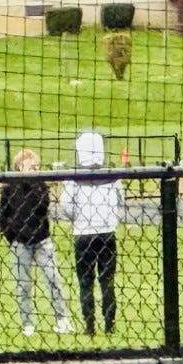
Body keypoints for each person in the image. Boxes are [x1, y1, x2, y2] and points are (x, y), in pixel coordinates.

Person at [0, 150, 71, 338]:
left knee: (53, 279)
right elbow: (3, 216)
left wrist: (33, 184)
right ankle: (27, 323)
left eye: (36, 166)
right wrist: (11, 237)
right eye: (31, 166)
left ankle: (62, 319)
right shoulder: (8, 188)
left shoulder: (41, 185)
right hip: (20, 242)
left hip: (42, 239)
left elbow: (43, 206)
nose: (34, 169)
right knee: (24, 285)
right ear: (19, 166)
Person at [64, 130, 122, 336]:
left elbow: (66, 206)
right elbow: (120, 201)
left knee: (85, 282)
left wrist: (78, 217)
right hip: (107, 232)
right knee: (107, 280)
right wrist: (111, 218)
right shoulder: (111, 174)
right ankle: (110, 324)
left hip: (83, 233)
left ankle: (89, 326)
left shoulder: (73, 176)